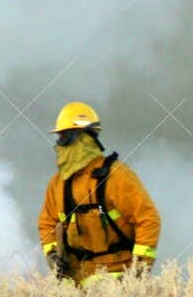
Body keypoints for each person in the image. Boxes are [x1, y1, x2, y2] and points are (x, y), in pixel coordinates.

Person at [38, 102, 160, 285]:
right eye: (59, 136)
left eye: (65, 136)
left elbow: (148, 219)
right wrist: (52, 254)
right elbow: (47, 222)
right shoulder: (58, 184)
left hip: (116, 277)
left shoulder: (116, 176)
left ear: (84, 138)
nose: (60, 144)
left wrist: (139, 267)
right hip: (74, 281)